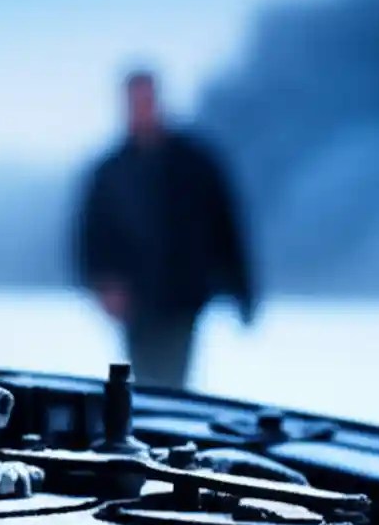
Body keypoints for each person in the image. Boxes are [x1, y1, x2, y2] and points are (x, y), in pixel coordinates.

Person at [77, 69, 255, 389]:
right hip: (135, 300)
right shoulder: (111, 171)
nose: (141, 109)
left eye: (146, 101)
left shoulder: (194, 164)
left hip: (183, 296)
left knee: (172, 383)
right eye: (135, 102)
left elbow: (225, 227)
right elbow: (90, 237)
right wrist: (101, 284)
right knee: (145, 382)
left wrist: (242, 291)